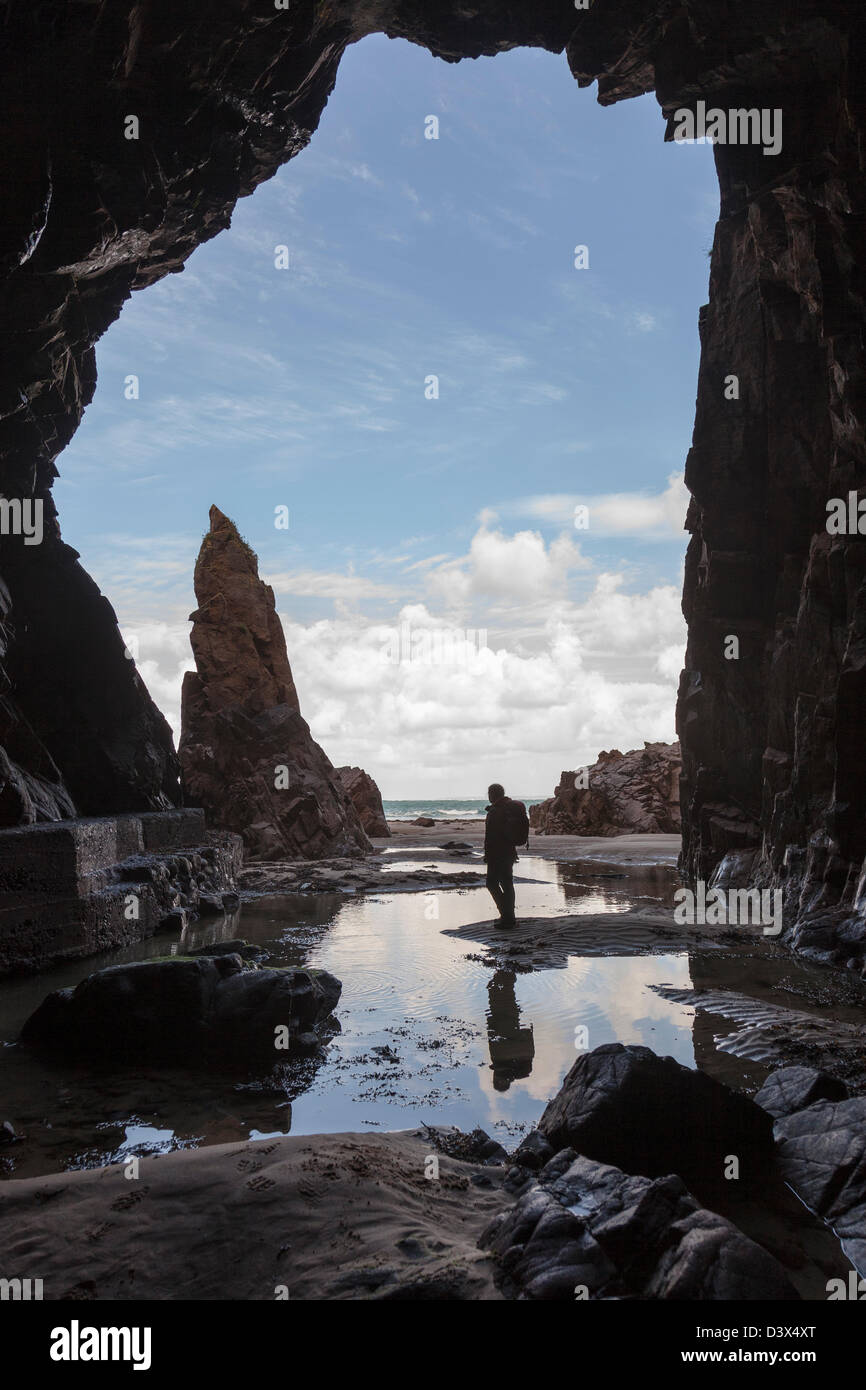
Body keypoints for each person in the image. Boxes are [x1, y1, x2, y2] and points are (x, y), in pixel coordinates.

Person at [483, 782, 524, 926]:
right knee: (507, 883)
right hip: (509, 853)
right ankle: (509, 916)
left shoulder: (495, 811)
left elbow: (491, 836)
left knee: (491, 883)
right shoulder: (507, 808)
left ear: (493, 794)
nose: (488, 796)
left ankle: (507, 916)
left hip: (497, 854)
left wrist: (487, 855)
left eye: (489, 793)